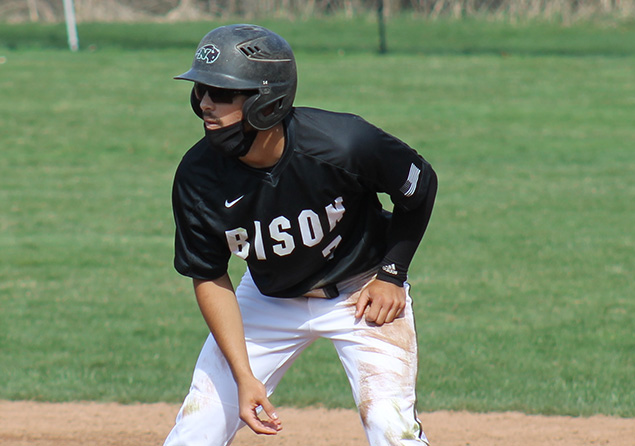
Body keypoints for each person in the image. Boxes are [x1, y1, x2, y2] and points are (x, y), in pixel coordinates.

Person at [164, 24, 437, 446]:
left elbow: (419, 187)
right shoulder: (198, 178)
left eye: (220, 92)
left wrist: (392, 273)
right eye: (200, 89)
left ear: (266, 102)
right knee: (195, 430)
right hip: (267, 296)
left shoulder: (344, 144)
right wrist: (244, 377)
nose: (204, 103)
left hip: (361, 291)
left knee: (390, 426)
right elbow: (209, 275)